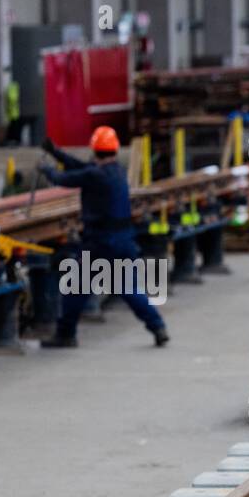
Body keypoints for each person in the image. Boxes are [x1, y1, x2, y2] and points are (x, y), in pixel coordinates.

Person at [39, 126, 169, 348]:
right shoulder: (116, 171)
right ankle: (157, 326)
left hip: (100, 242)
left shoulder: (95, 175)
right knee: (128, 288)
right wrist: (56, 153)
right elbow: (80, 167)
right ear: (114, 150)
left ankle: (66, 334)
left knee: (76, 287)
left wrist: (48, 171)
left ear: (94, 150)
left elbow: (65, 178)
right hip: (124, 240)